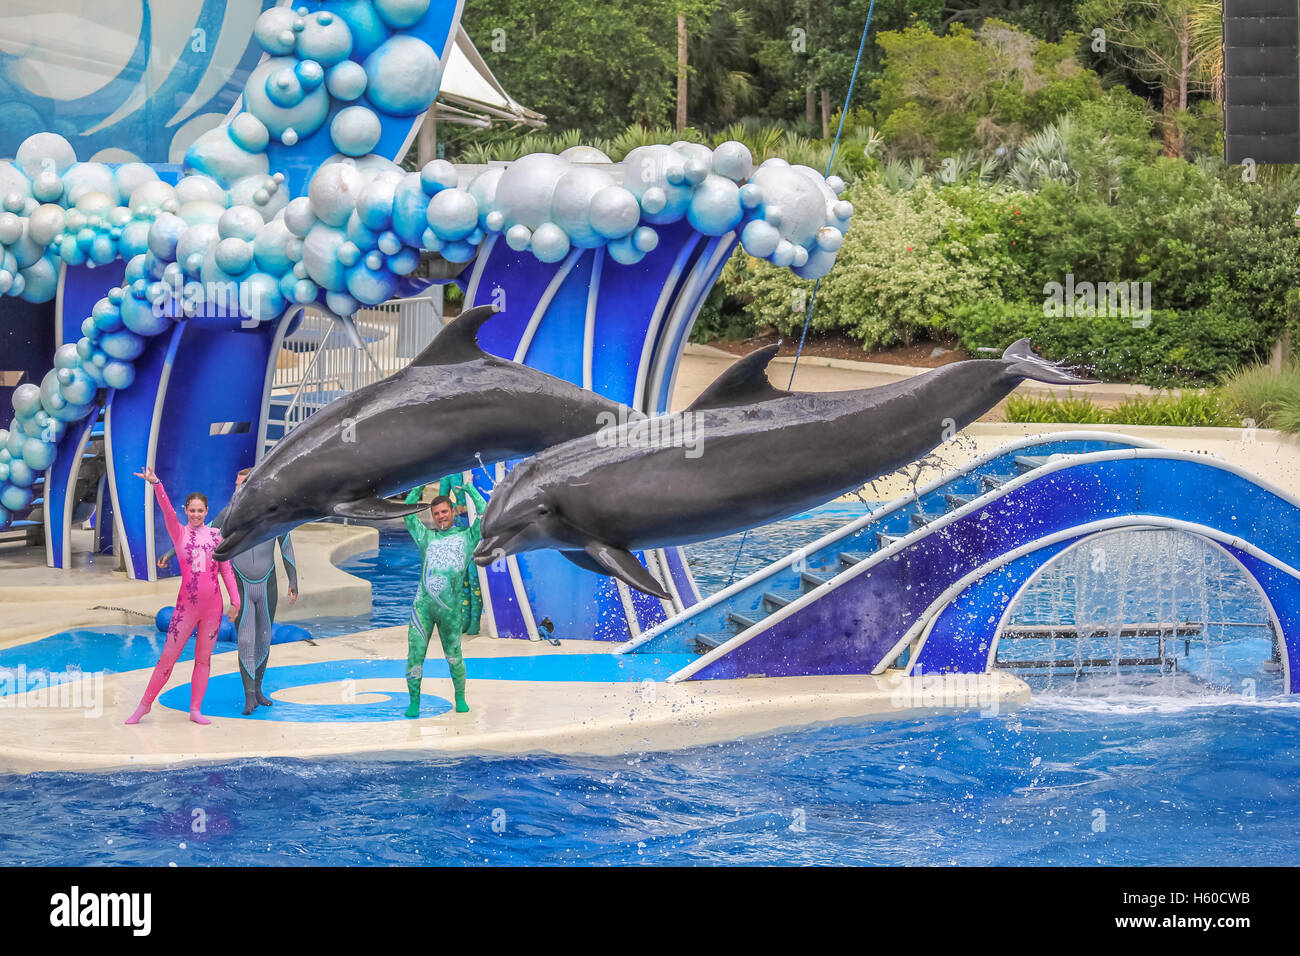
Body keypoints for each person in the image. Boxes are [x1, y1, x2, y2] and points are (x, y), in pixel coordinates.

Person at [159, 468, 300, 714]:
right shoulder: (229, 514)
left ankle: (258, 690)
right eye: (236, 484)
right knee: (246, 639)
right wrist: (171, 553)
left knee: (264, 638)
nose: (237, 489)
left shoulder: (276, 513)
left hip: (267, 584)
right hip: (242, 583)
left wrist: (293, 579)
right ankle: (249, 697)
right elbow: (197, 536)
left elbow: (286, 545)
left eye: (242, 484)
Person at [126, 466, 239, 725]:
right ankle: (144, 705)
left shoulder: (216, 537)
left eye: (201, 510)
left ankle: (196, 709)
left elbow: (226, 569)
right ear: (185, 511)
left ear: (206, 512)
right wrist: (157, 484)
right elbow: (165, 509)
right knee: (168, 657)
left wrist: (235, 600)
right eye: (192, 510)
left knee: (203, 660)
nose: (197, 514)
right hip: (185, 609)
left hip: (213, 608)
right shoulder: (179, 532)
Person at [402, 480, 487, 717]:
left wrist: (469, 490)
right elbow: (408, 516)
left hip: (450, 612)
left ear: (452, 512)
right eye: (436, 513)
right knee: (415, 655)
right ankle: (414, 702)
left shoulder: (467, 538)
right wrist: (417, 487)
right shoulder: (425, 537)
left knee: (454, 657)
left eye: (444, 512)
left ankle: (460, 698)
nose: (440, 517)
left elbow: (484, 515)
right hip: (423, 609)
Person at [438, 473, 484, 636]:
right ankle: (465, 617)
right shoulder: (449, 471)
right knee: (461, 577)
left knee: (474, 577)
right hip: (459, 527)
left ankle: (475, 620)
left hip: (474, 525)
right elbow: (441, 500)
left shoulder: (475, 468)